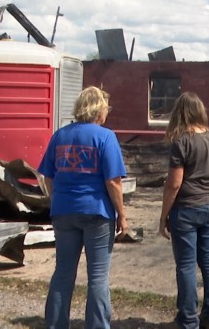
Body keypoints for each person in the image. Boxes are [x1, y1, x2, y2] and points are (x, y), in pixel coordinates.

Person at [39, 86, 128, 329]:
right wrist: (122, 214)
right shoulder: (105, 137)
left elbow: (48, 177)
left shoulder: (60, 136)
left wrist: (55, 199)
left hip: (63, 211)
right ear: (99, 110)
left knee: (63, 272)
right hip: (97, 212)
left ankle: (55, 325)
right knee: (98, 277)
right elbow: (113, 181)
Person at [159, 92, 209, 329]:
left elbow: (174, 184)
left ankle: (188, 320)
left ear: (180, 113)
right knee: (208, 260)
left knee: (186, 265)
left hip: (186, 210)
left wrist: (163, 216)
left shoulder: (181, 141)